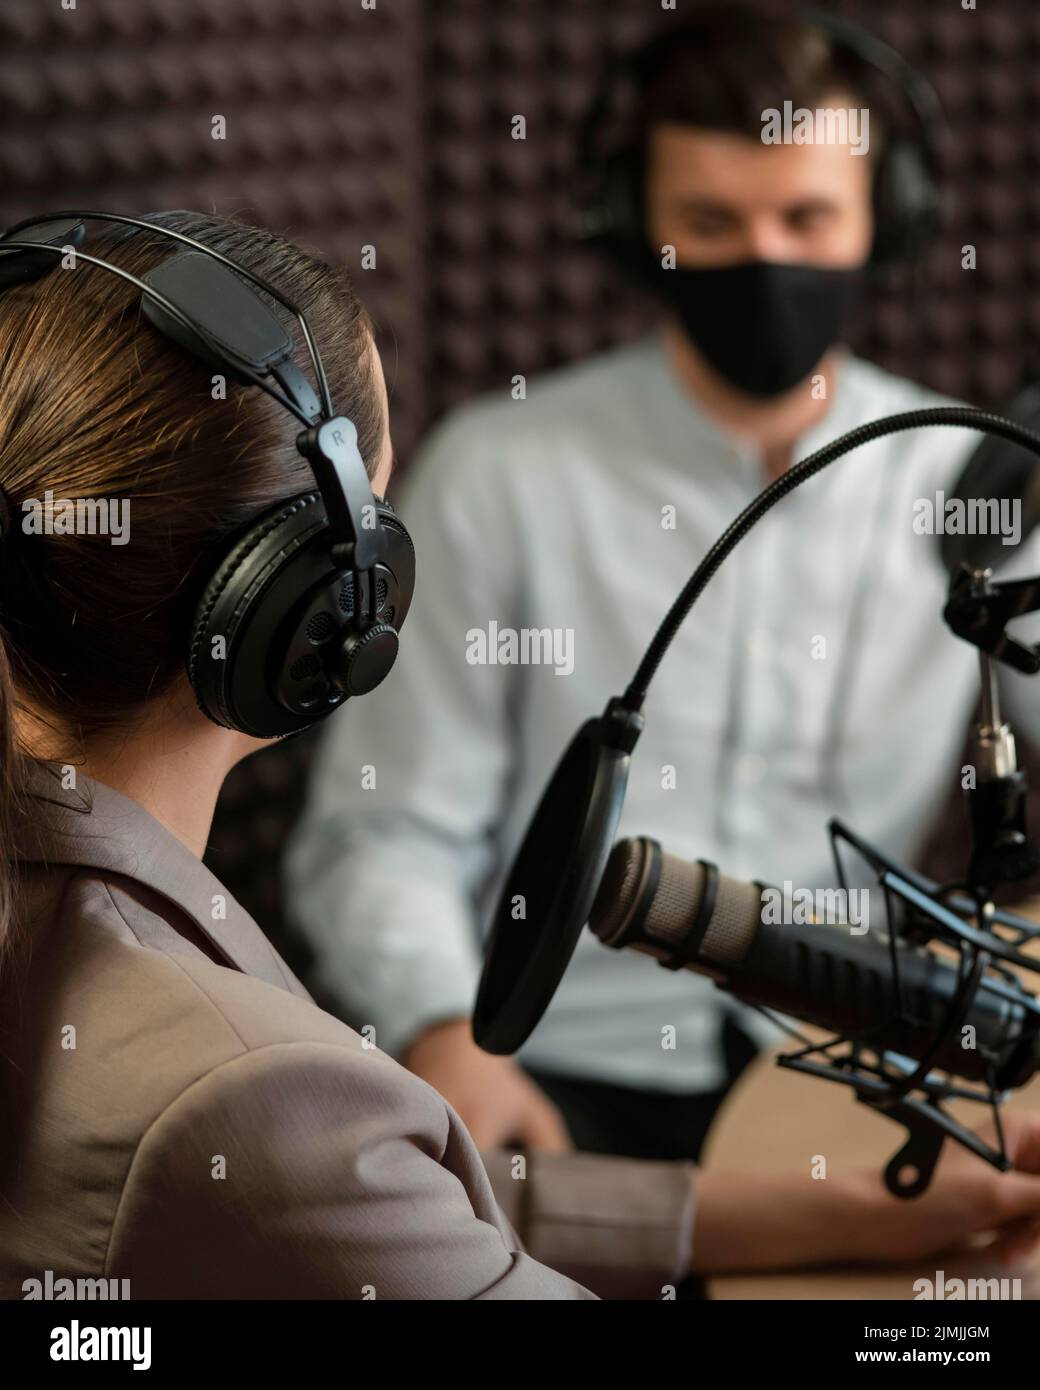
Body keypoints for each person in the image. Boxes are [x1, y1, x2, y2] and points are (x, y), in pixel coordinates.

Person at [4, 210, 1040, 1300]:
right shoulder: (238, 1086)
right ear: (314, 616)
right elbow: (319, 1170)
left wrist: (828, 1220)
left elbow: (375, 1202)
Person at [286, 4, 1040, 1162]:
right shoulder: (499, 468)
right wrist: (446, 1032)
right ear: (635, 225)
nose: (764, 258)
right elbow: (384, 832)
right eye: (711, 221)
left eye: (805, 216)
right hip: (550, 1071)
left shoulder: (968, 475)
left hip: (850, 1069)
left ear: (881, 222)